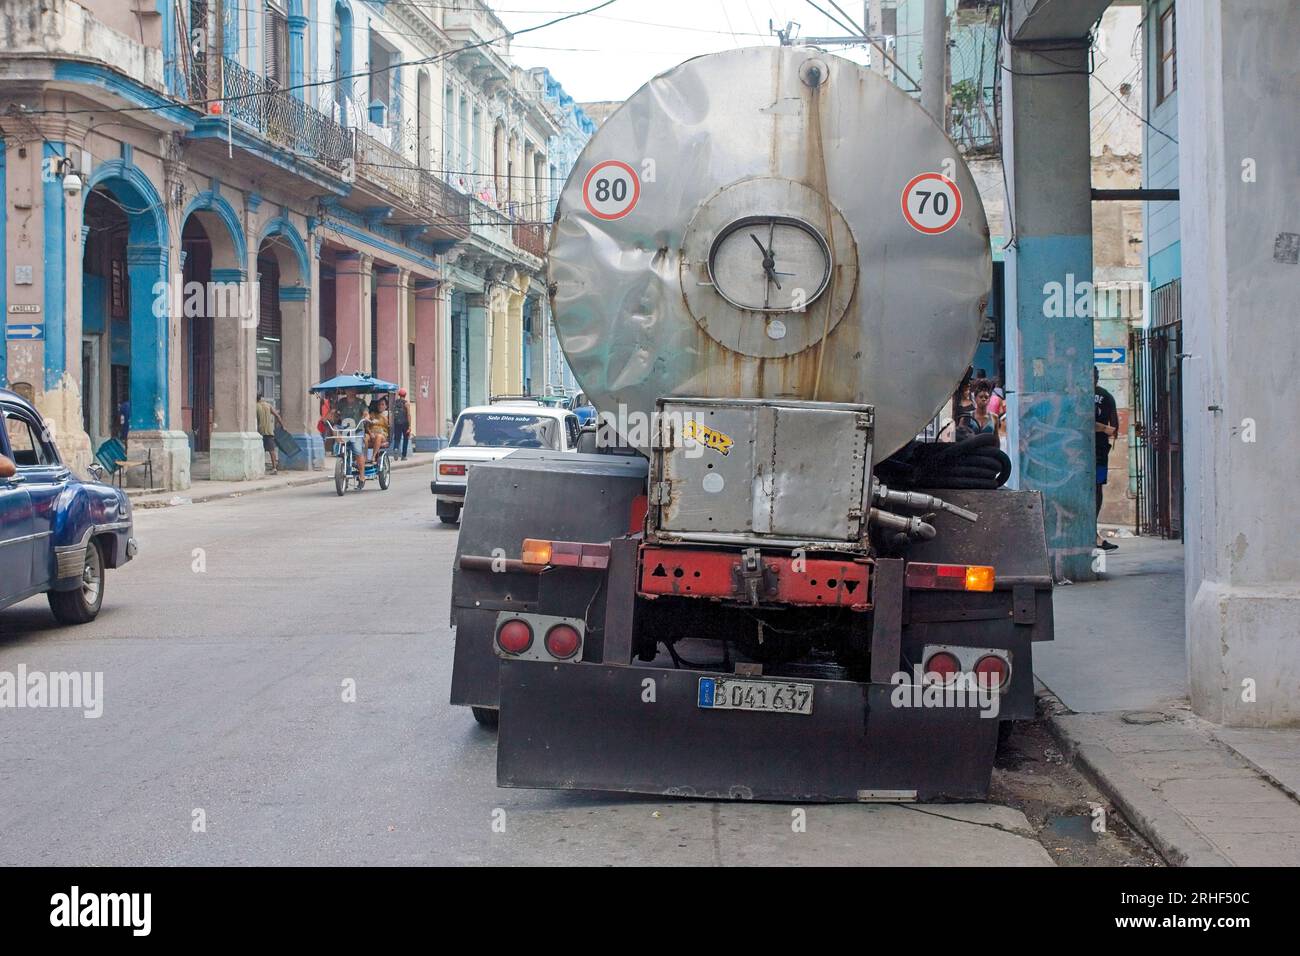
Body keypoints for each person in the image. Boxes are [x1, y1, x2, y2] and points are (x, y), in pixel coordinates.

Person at [1094, 367, 1120, 552]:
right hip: (1101, 451)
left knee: (1094, 487)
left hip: (1083, 452)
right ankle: (1093, 531)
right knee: (1097, 488)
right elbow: (1114, 428)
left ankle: (1092, 533)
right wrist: (1104, 429)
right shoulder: (1107, 396)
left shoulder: (1079, 397)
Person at [332, 388, 369, 486]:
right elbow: (334, 412)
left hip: (357, 430)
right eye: (348, 390)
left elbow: (366, 413)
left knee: (357, 450)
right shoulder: (341, 402)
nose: (350, 392)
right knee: (334, 427)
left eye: (352, 390)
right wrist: (330, 415)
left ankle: (362, 476)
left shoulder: (361, 402)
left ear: (355, 391)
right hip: (345, 430)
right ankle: (339, 443)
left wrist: (366, 417)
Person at [256, 392, 286, 474]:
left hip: (260, 432)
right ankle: (274, 468)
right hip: (269, 431)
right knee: (271, 451)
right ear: (261, 397)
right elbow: (277, 416)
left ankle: (259, 467)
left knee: (259, 450)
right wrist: (283, 426)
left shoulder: (255, 406)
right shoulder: (268, 405)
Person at [365, 398, 390, 467]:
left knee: (378, 436)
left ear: (386, 406)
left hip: (382, 435)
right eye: (379, 404)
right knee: (365, 436)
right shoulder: (372, 414)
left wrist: (383, 416)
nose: (380, 406)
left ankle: (373, 457)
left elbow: (389, 425)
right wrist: (370, 433)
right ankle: (365, 457)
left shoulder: (388, 415)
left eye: (382, 405)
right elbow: (367, 426)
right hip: (372, 433)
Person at [390, 388, 412, 460]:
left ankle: (396, 448)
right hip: (405, 423)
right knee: (406, 439)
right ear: (405, 395)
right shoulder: (406, 403)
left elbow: (392, 413)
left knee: (397, 438)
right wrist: (409, 426)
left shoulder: (395, 403)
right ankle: (403, 456)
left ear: (399, 395)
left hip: (397, 423)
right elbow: (408, 414)